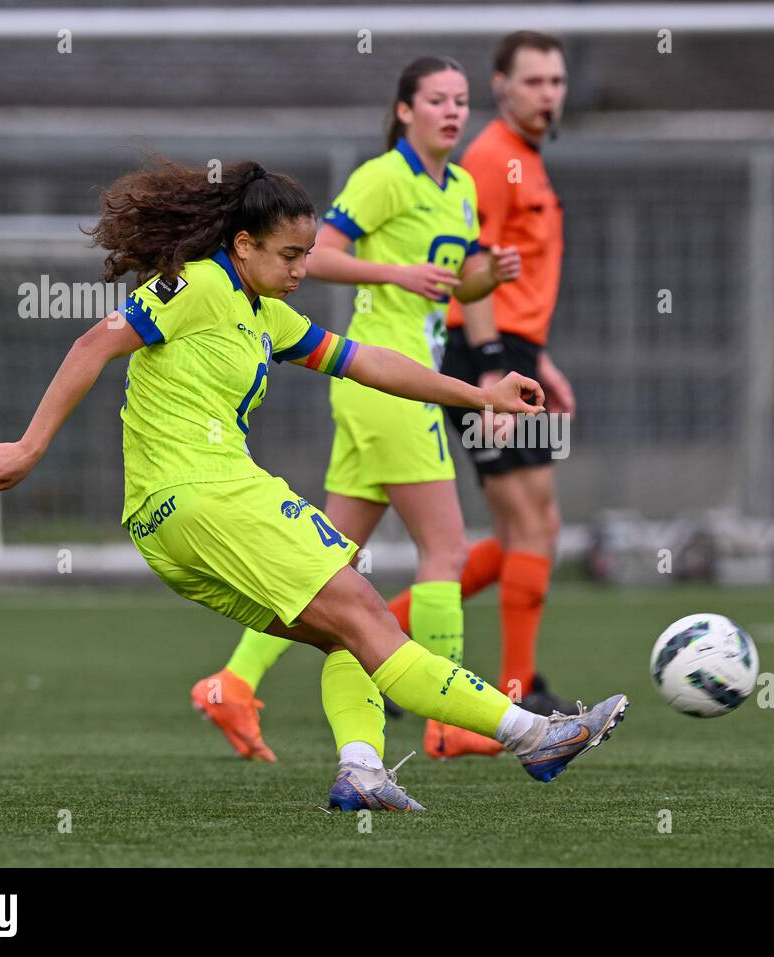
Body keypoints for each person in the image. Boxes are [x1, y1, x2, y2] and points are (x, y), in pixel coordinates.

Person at [0, 157, 628, 812]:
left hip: (165, 524)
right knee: (368, 611)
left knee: (344, 633)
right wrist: (30, 444)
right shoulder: (194, 285)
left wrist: (479, 395)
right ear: (243, 244)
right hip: (208, 493)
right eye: (289, 254)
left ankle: (362, 770)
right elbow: (95, 342)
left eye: (307, 254)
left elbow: (369, 363)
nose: (302, 269)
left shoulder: (268, 315)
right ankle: (535, 734)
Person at [190, 55, 526, 764]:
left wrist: (481, 278)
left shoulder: (461, 186)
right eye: (436, 99)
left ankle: (233, 680)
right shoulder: (382, 177)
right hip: (384, 375)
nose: (452, 111)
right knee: (446, 549)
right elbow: (324, 256)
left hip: (396, 379)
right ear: (405, 110)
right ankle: (448, 720)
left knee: (328, 560)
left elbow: (450, 290)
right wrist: (394, 271)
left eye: (461, 101)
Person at [387, 30, 577, 722]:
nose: (547, 95)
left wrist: (538, 357)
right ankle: (512, 686)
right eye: (534, 82)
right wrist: (499, 362)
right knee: (526, 525)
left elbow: (512, 273)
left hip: (513, 351)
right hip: (483, 355)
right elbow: (476, 270)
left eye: (556, 82)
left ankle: (383, 632)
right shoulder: (496, 158)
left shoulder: (525, 157)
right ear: (502, 86)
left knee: (539, 525)